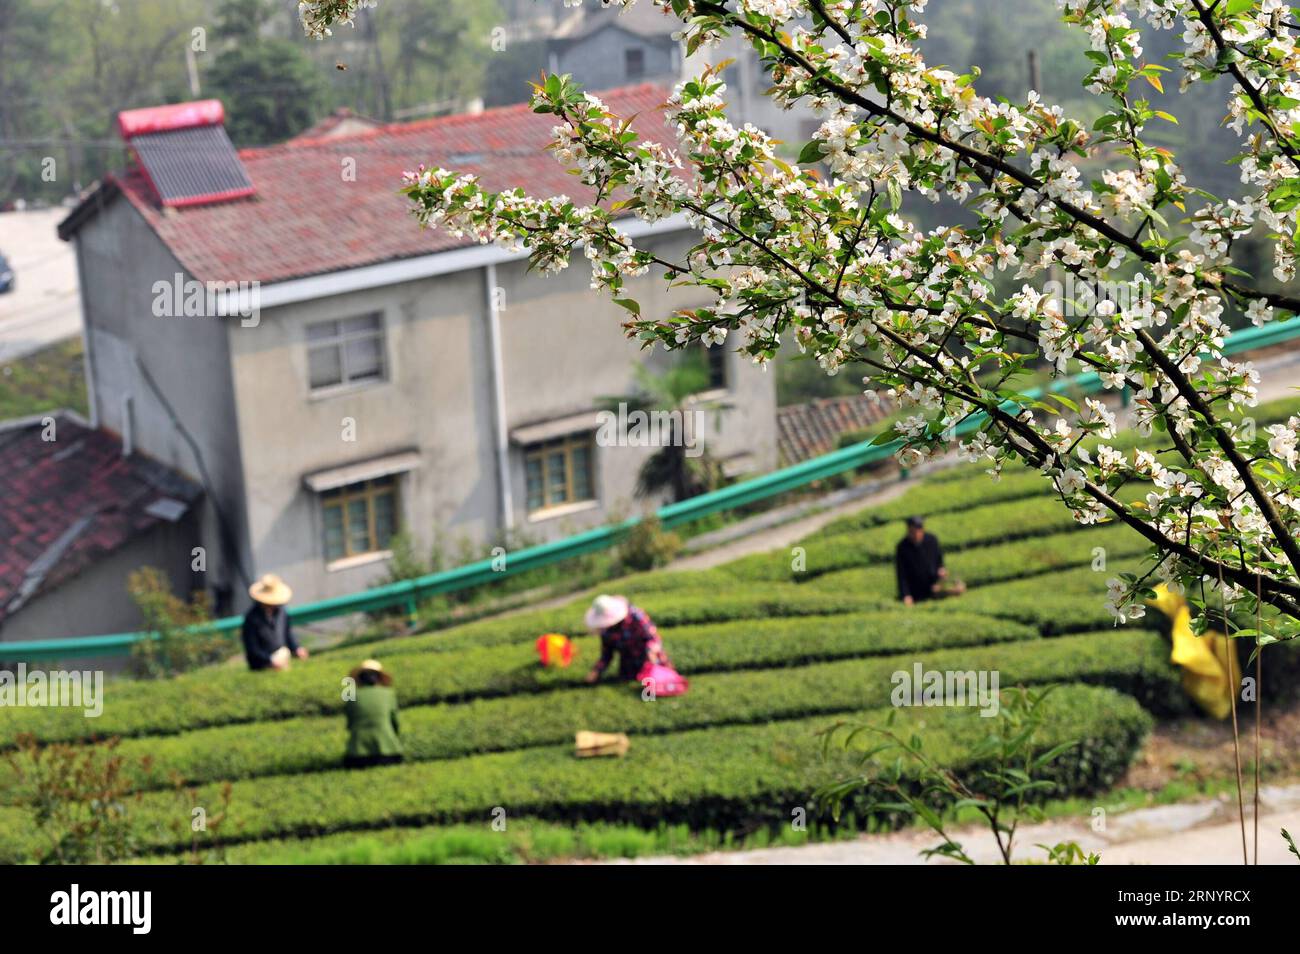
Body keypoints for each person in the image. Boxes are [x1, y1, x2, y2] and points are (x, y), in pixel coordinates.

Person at [583, 594, 670, 683]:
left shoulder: (636, 616)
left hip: (651, 657)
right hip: (629, 664)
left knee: (660, 682)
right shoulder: (606, 631)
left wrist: (651, 651)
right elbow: (607, 654)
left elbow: (652, 637)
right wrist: (596, 671)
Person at [241, 573, 308, 671]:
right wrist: (270, 660)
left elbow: (287, 634)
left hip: (282, 658)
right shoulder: (251, 618)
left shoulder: (282, 613)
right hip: (261, 665)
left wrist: (297, 648)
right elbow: (252, 648)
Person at [343, 659, 403, 769]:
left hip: (357, 754)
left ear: (360, 679)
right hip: (388, 751)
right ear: (379, 678)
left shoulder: (351, 697)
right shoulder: (389, 694)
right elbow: (395, 723)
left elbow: (350, 725)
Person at [895, 516, 965, 605]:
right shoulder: (902, 548)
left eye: (919, 530)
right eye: (913, 531)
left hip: (934, 586)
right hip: (916, 591)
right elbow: (901, 574)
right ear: (908, 530)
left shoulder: (931, 540)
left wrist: (941, 570)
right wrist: (906, 595)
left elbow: (939, 560)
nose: (917, 534)